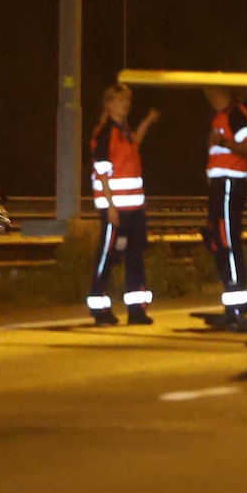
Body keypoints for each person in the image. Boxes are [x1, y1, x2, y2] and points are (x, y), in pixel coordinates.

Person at [87, 84, 159, 326]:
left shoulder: (124, 131)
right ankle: (99, 308)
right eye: (120, 101)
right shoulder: (106, 132)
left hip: (134, 210)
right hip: (117, 210)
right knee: (108, 256)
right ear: (109, 104)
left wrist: (147, 123)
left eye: (127, 101)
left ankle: (136, 310)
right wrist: (110, 207)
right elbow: (102, 173)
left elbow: (134, 145)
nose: (125, 105)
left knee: (134, 256)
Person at [203, 86, 247, 318]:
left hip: (230, 183)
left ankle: (238, 295)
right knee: (215, 237)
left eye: (211, 93)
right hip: (220, 185)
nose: (209, 98)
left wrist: (225, 143)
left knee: (227, 238)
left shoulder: (236, 115)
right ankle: (232, 292)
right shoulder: (220, 116)